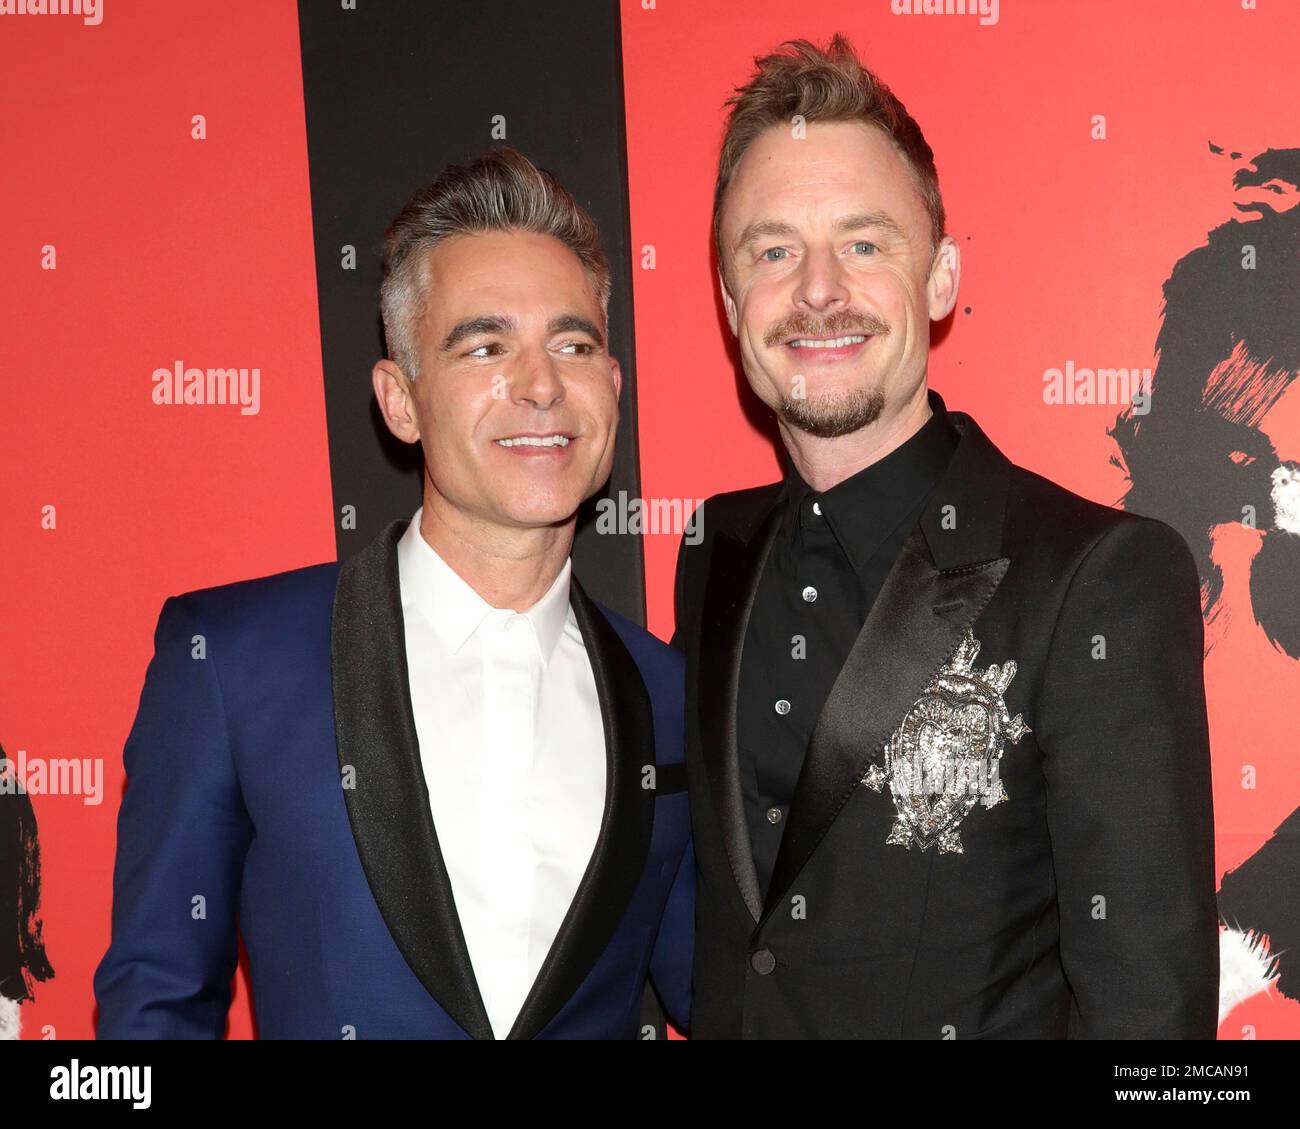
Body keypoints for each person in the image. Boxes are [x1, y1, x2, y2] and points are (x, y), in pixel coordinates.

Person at [671, 34, 1218, 1038]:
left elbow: (1153, 1013)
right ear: (726, 299)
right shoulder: (715, 549)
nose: (819, 289)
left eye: (866, 242)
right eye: (773, 250)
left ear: (940, 279)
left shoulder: (1097, 575)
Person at [95, 147, 693, 1040]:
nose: (540, 384)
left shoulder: (670, 692)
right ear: (400, 400)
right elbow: (154, 1011)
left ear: (610, 387)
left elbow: (725, 994)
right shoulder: (229, 663)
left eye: (573, 344)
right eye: (485, 346)